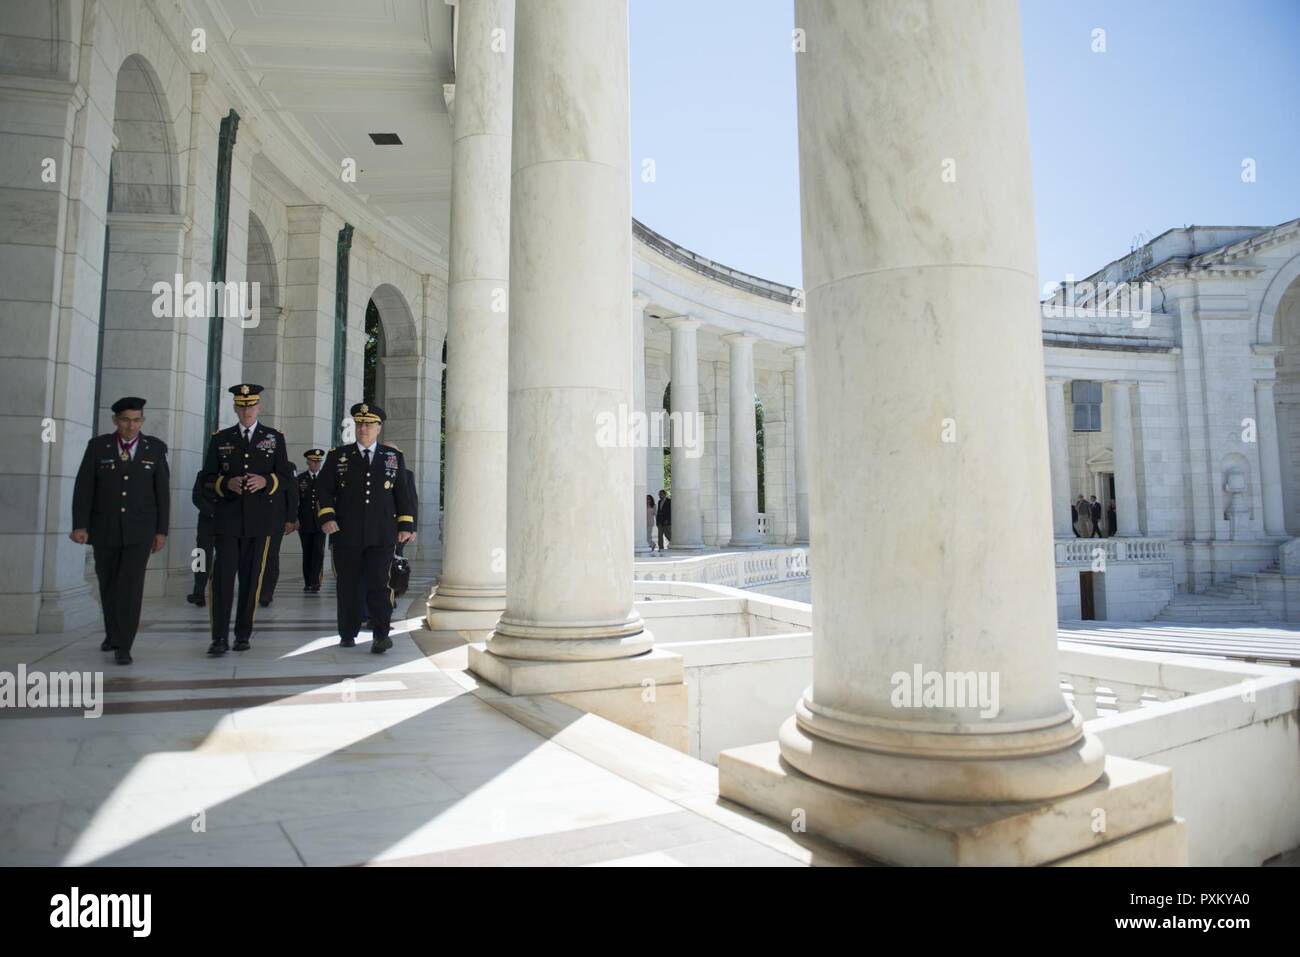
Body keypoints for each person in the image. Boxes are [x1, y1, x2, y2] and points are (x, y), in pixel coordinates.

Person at [70, 397, 170, 665]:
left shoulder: (155, 449)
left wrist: (161, 531)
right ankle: (112, 632)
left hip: (140, 531)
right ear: (115, 420)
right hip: (105, 529)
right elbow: (84, 488)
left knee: (130, 586)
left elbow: (162, 493)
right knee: (109, 584)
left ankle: (124, 644)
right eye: (126, 420)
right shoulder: (98, 446)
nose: (131, 426)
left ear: (142, 421)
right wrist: (80, 524)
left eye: (137, 420)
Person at [198, 384, 296, 656]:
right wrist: (225, 483)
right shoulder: (221, 439)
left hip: (261, 523)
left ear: (259, 407)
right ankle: (218, 637)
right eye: (241, 406)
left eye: (251, 406)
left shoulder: (274, 438)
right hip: (228, 522)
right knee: (222, 581)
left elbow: (286, 478)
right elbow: (206, 478)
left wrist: (266, 480)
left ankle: (243, 634)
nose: (246, 411)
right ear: (235, 408)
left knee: (252, 582)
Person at [317, 403, 416, 653]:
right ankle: (347, 633)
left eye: (369, 424)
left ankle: (381, 634)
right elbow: (324, 490)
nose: (364, 428)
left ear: (378, 428)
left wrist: (406, 523)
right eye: (360, 423)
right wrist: (326, 517)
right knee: (347, 585)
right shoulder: (338, 456)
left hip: (382, 533)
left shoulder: (393, 457)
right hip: (346, 533)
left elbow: (402, 493)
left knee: (379, 584)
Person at [258, 458, 298, 608]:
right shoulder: (257, 463)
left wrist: (291, 519)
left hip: (275, 519)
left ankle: (266, 592)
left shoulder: (287, 466)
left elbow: (293, 493)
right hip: (254, 519)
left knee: (271, 556)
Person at [297, 449, 328, 593]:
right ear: (308, 462)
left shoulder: (325, 478)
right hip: (305, 522)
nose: (316, 464)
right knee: (307, 552)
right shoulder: (300, 479)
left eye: (318, 462)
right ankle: (308, 582)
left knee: (318, 552)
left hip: (321, 522)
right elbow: (296, 501)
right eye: (314, 461)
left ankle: (316, 581)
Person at [187, 469, 214, 606]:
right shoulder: (203, 474)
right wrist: (211, 512)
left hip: (229, 523)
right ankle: (198, 593)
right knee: (201, 556)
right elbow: (196, 496)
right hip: (207, 522)